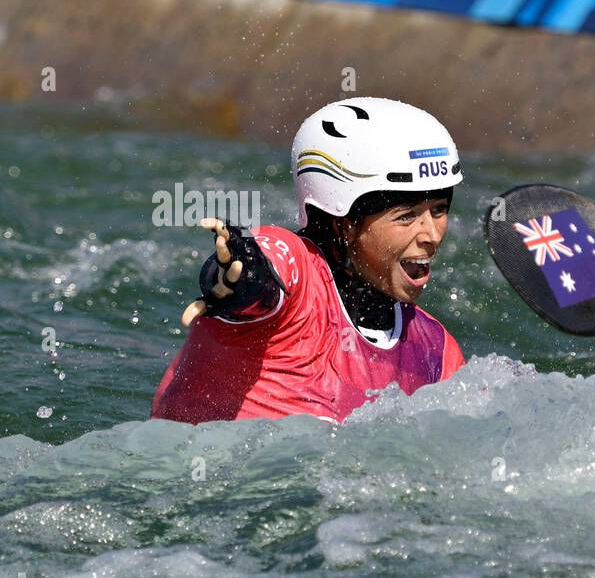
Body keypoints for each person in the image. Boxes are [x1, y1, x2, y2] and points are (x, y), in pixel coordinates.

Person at [151, 97, 466, 424]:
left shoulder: (437, 352)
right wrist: (238, 282)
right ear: (341, 222)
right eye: (407, 216)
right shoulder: (297, 271)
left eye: (439, 209)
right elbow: (266, 268)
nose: (432, 233)